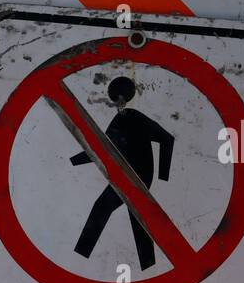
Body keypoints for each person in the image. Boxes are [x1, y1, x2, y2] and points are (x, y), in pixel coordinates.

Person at [70, 76, 174, 271]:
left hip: (134, 178)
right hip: (132, 176)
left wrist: (163, 177)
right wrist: (72, 161)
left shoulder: (131, 117)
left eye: (117, 98)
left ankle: (78, 258)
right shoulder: (123, 118)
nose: (117, 103)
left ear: (121, 97)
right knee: (137, 219)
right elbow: (101, 149)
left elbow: (167, 139)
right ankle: (149, 267)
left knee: (102, 207)